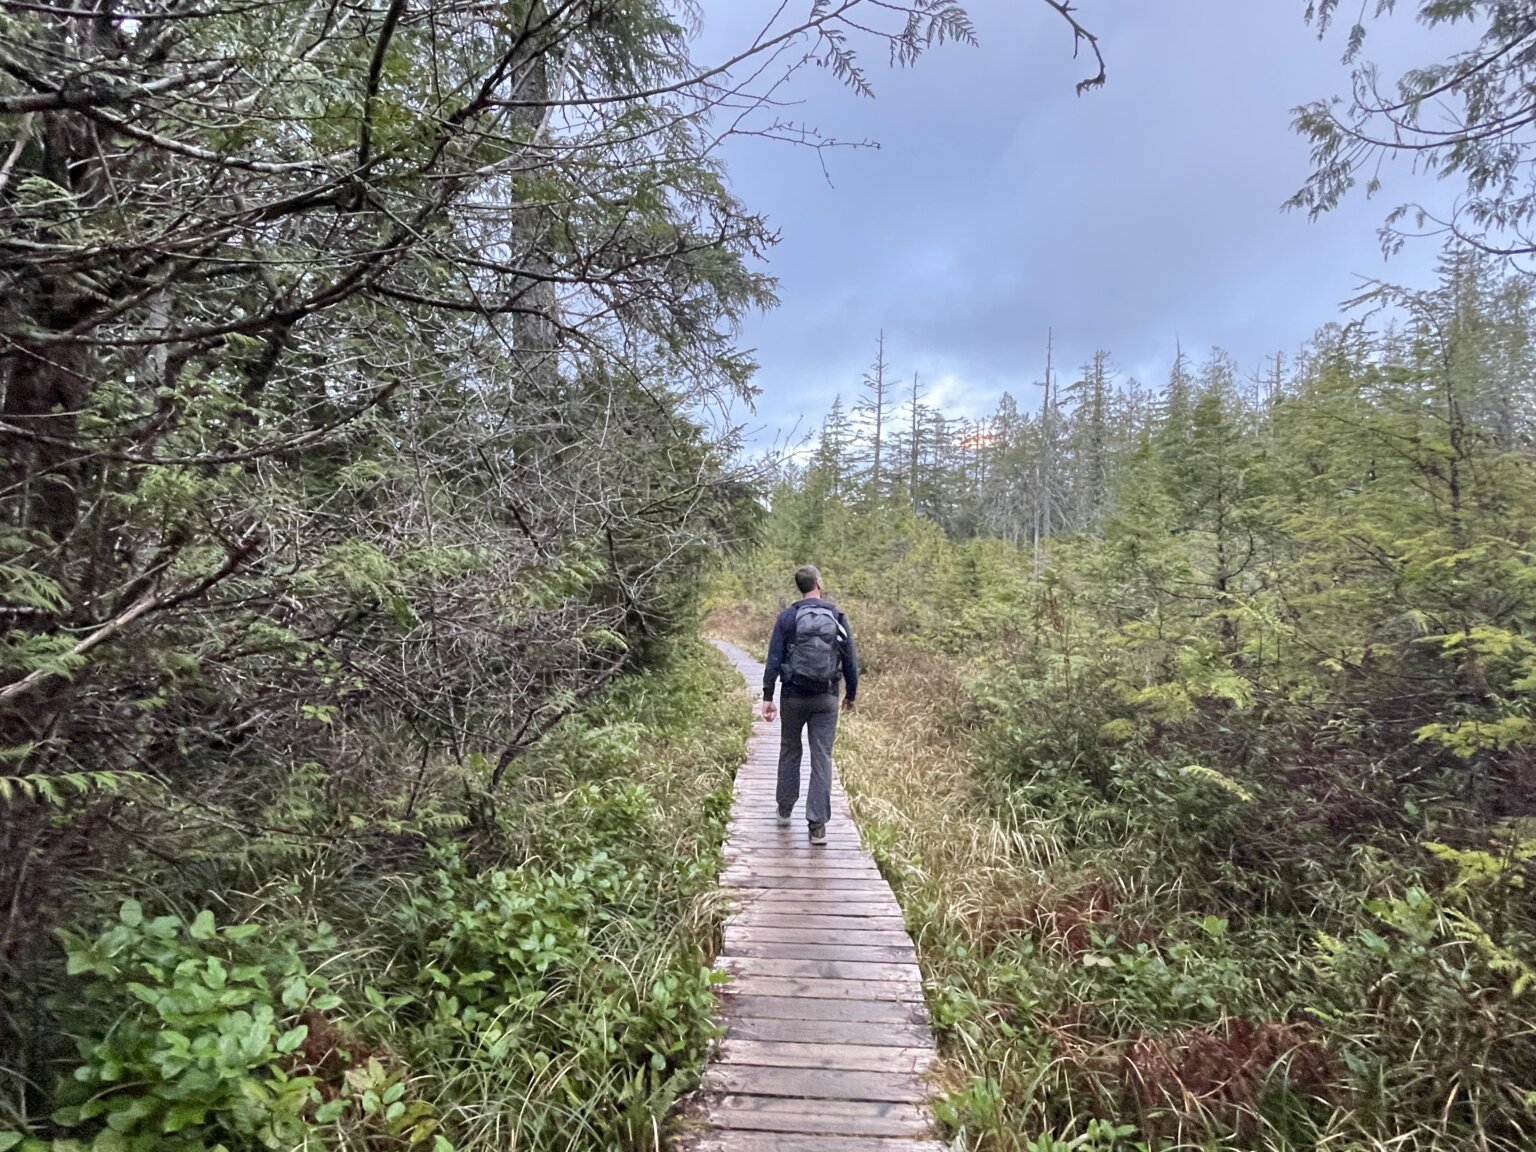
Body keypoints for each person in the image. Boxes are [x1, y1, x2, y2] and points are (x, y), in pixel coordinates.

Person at [761, 564, 858, 845]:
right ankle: (817, 826)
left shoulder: (788, 617)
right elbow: (850, 659)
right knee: (821, 756)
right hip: (826, 696)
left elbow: (774, 658)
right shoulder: (837, 616)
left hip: (792, 694)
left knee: (790, 750)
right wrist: (851, 694)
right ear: (818, 582)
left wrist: (768, 696)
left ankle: (784, 809)